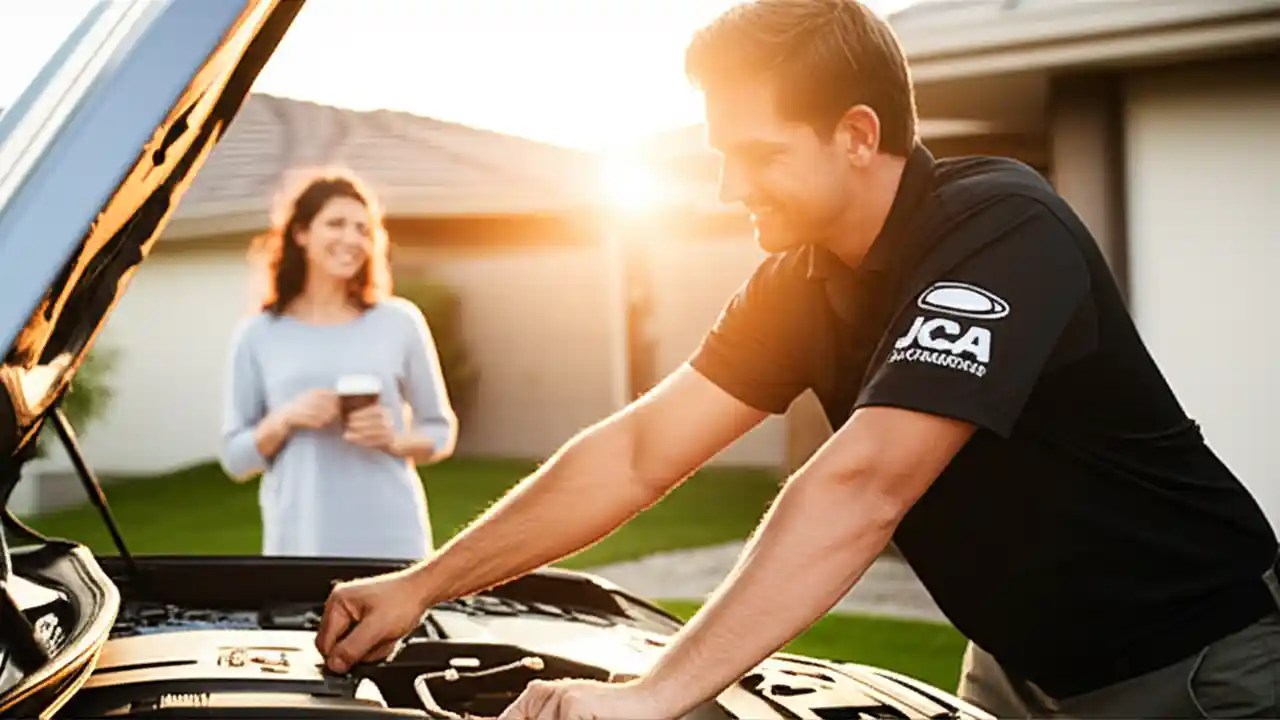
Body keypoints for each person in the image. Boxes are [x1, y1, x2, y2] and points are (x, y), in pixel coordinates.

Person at [314, 2, 1280, 717]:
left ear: (857, 135)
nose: (730, 185)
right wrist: (420, 586)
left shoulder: (1002, 229)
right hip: (1014, 666)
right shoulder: (799, 279)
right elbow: (639, 450)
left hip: (1195, 664)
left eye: (758, 154)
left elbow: (863, 485)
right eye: (719, 153)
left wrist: (653, 698)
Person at [219, 171, 458, 562]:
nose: (352, 239)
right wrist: (285, 420)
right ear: (300, 233)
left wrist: (395, 440)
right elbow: (235, 459)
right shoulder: (258, 334)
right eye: (336, 224)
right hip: (300, 540)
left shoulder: (399, 321)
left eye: (363, 229)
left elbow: (441, 430)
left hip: (392, 538)